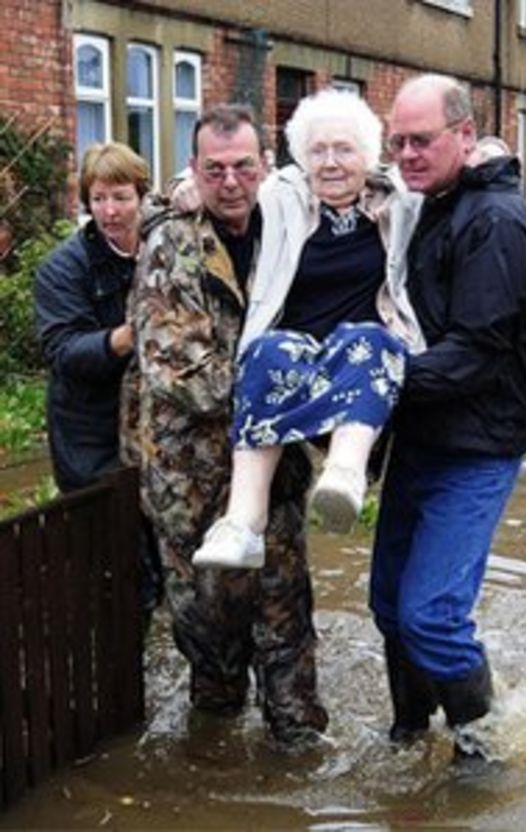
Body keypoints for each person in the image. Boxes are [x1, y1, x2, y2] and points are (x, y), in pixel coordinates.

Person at [120, 104, 329, 748]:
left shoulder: (290, 226)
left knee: (286, 623)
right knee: (208, 636)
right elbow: (178, 371)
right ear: (193, 169)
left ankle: (298, 752)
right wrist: (286, 389)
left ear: (266, 165)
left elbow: (366, 180)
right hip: (190, 479)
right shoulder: (170, 244)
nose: (230, 182)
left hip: (275, 473)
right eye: (214, 170)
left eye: (243, 166)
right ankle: (210, 765)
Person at [369, 74, 526, 756]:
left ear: (465, 136)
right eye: (398, 143)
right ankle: (409, 736)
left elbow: (475, 352)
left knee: (432, 616)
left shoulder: (495, 222)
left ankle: (483, 755)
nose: (407, 155)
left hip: (476, 447)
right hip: (422, 437)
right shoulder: (432, 203)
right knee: (390, 604)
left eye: (422, 140)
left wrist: (376, 383)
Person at [192, 89, 426, 572]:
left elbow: (452, 175)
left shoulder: (401, 200)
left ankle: (344, 476)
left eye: (344, 149)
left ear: (368, 155)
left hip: (364, 357)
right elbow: (227, 176)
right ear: (302, 157)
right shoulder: (282, 195)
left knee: (369, 339)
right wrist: (180, 187)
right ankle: (243, 523)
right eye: (318, 150)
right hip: (298, 358)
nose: (331, 162)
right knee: (264, 350)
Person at [35, 142, 163, 619]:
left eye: (121, 197)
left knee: (165, 543)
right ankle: (117, 639)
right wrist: (127, 336)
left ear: (141, 196)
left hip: (155, 420)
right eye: (99, 198)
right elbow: (63, 351)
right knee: (113, 554)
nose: (110, 211)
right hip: (90, 429)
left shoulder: (163, 247)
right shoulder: (63, 269)